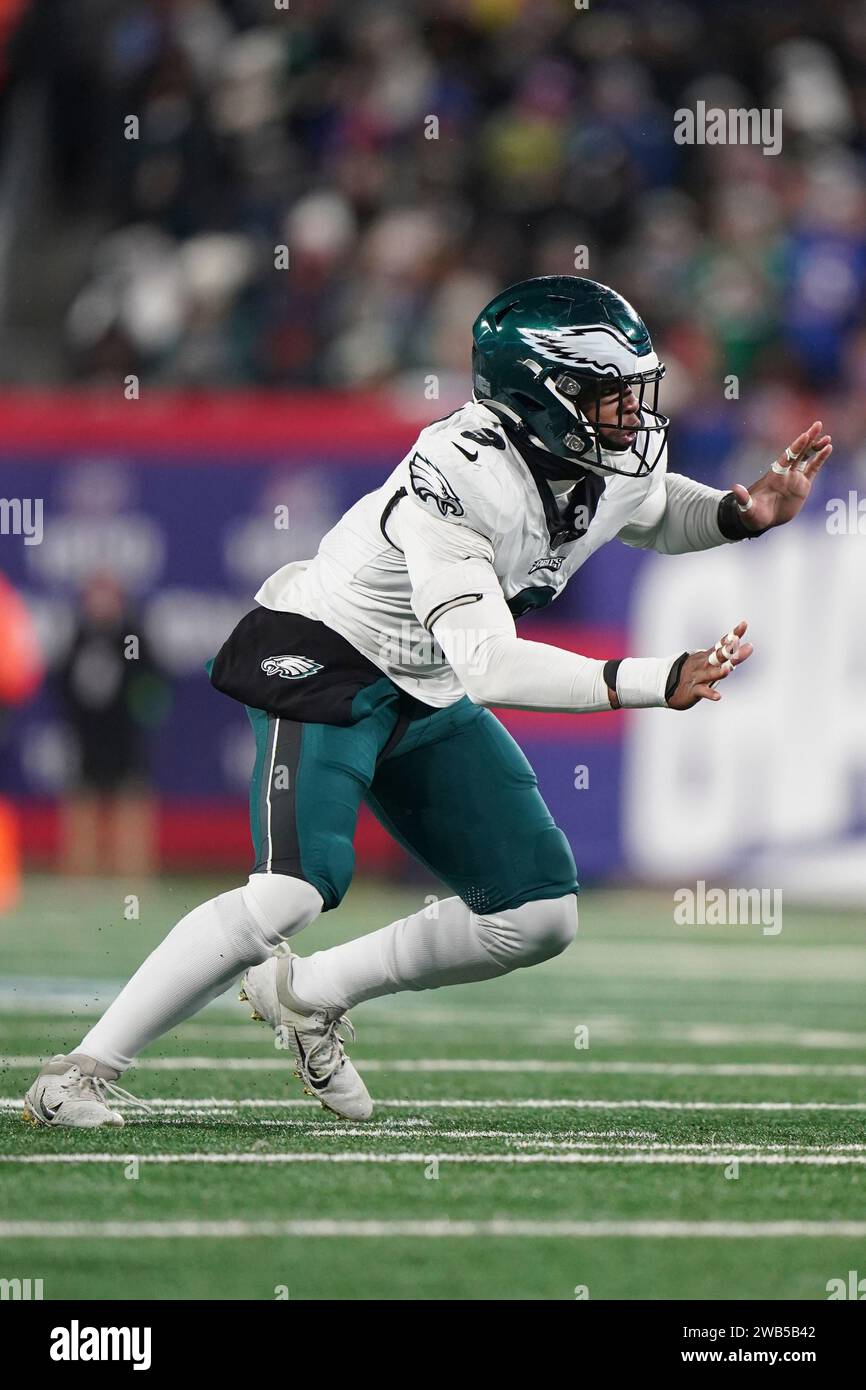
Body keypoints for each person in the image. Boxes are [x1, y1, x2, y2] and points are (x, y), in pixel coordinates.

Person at [23, 276, 832, 1128]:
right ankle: (76, 1071)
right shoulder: (460, 477)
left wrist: (743, 514)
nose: (632, 415)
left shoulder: (604, 455)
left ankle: (309, 991)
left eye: (633, 392)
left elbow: (653, 506)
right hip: (327, 658)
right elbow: (489, 666)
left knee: (539, 914)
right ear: (541, 399)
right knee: (293, 892)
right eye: (608, 396)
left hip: (423, 680)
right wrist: (650, 680)